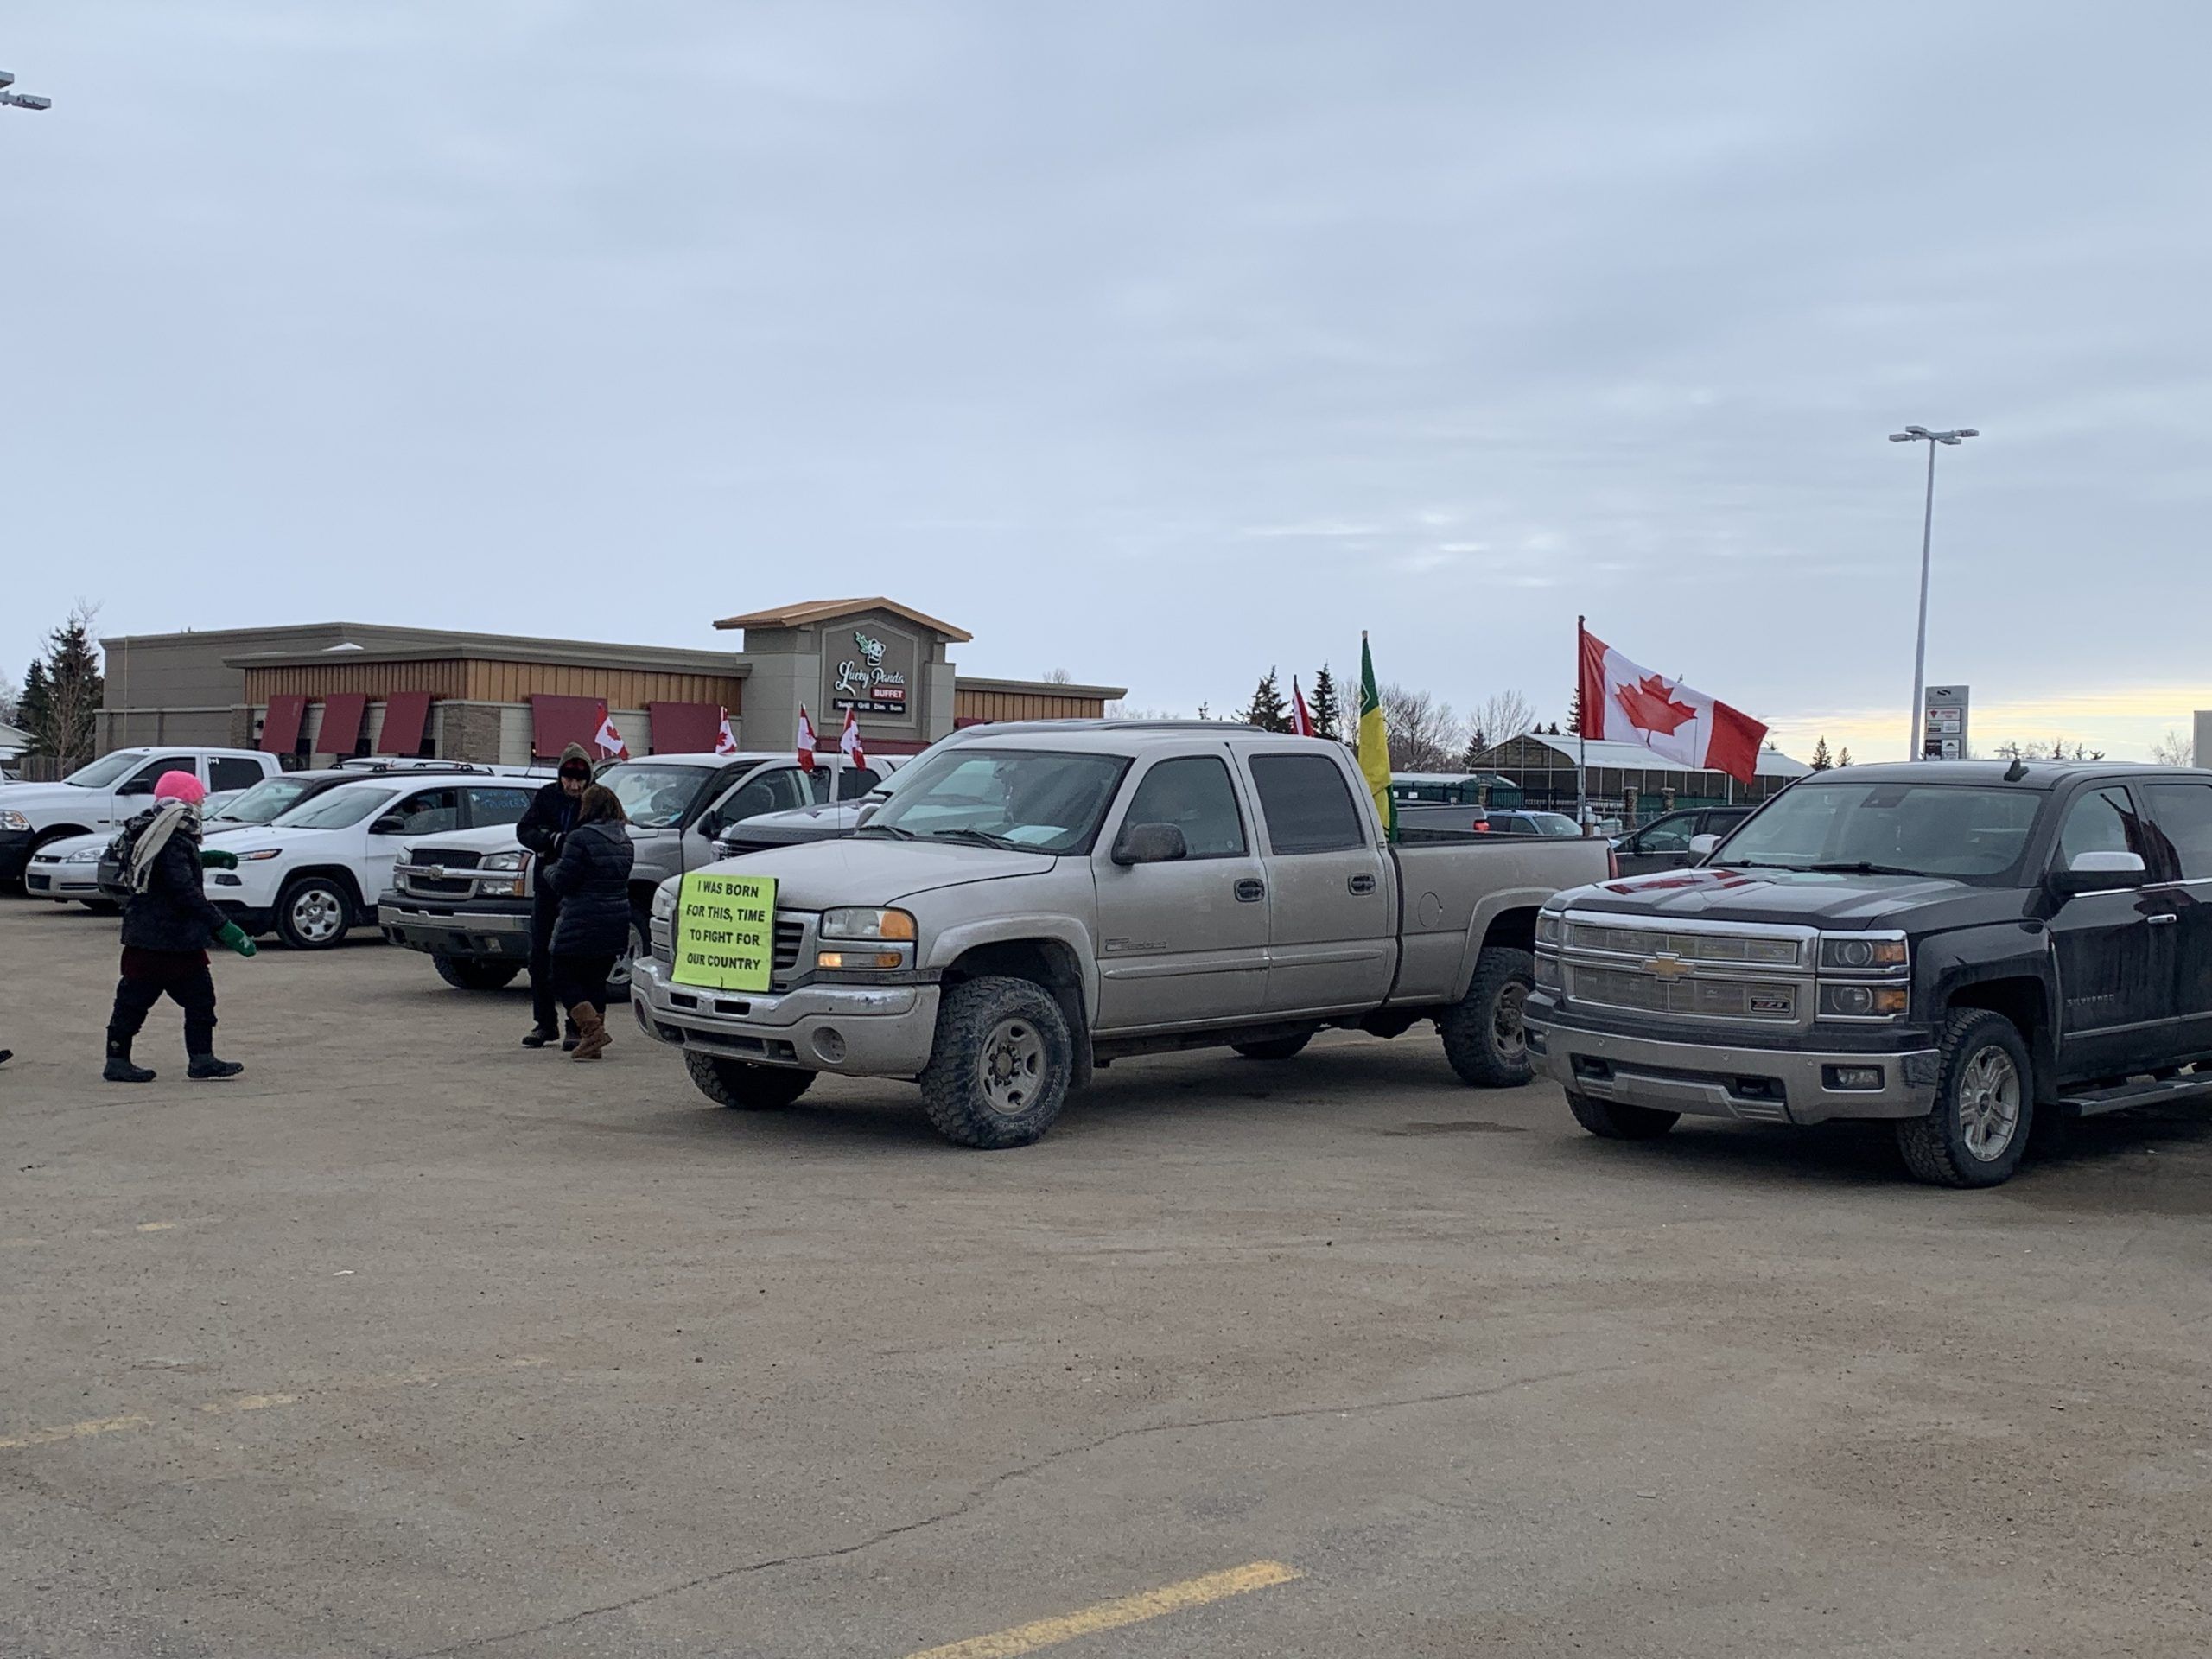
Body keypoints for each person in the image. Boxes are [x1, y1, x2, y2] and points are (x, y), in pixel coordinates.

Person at [104, 771, 258, 1084]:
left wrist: (208, 859)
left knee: (201, 999)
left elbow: (170, 868)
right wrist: (225, 927)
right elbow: (183, 890)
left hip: (171, 938)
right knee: (134, 1001)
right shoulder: (171, 835)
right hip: (158, 938)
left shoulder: (161, 828)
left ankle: (202, 1060)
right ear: (186, 800)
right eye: (199, 797)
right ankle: (117, 1061)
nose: (202, 803)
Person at [539, 783, 634, 1062]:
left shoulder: (580, 838)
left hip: (582, 918)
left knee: (561, 975)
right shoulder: (625, 840)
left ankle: (591, 1031)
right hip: (616, 919)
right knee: (595, 980)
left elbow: (563, 881)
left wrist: (548, 868)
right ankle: (594, 1041)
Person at [515, 743, 593, 1048]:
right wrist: (550, 839)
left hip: (579, 891)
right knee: (538, 956)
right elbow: (525, 831)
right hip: (547, 888)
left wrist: (571, 846)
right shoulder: (547, 797)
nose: (573, 786)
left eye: (579, 780)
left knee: (574, 959)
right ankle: (544, 1023)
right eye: (568, 779)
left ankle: (576, 1025)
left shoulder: (596, 800)